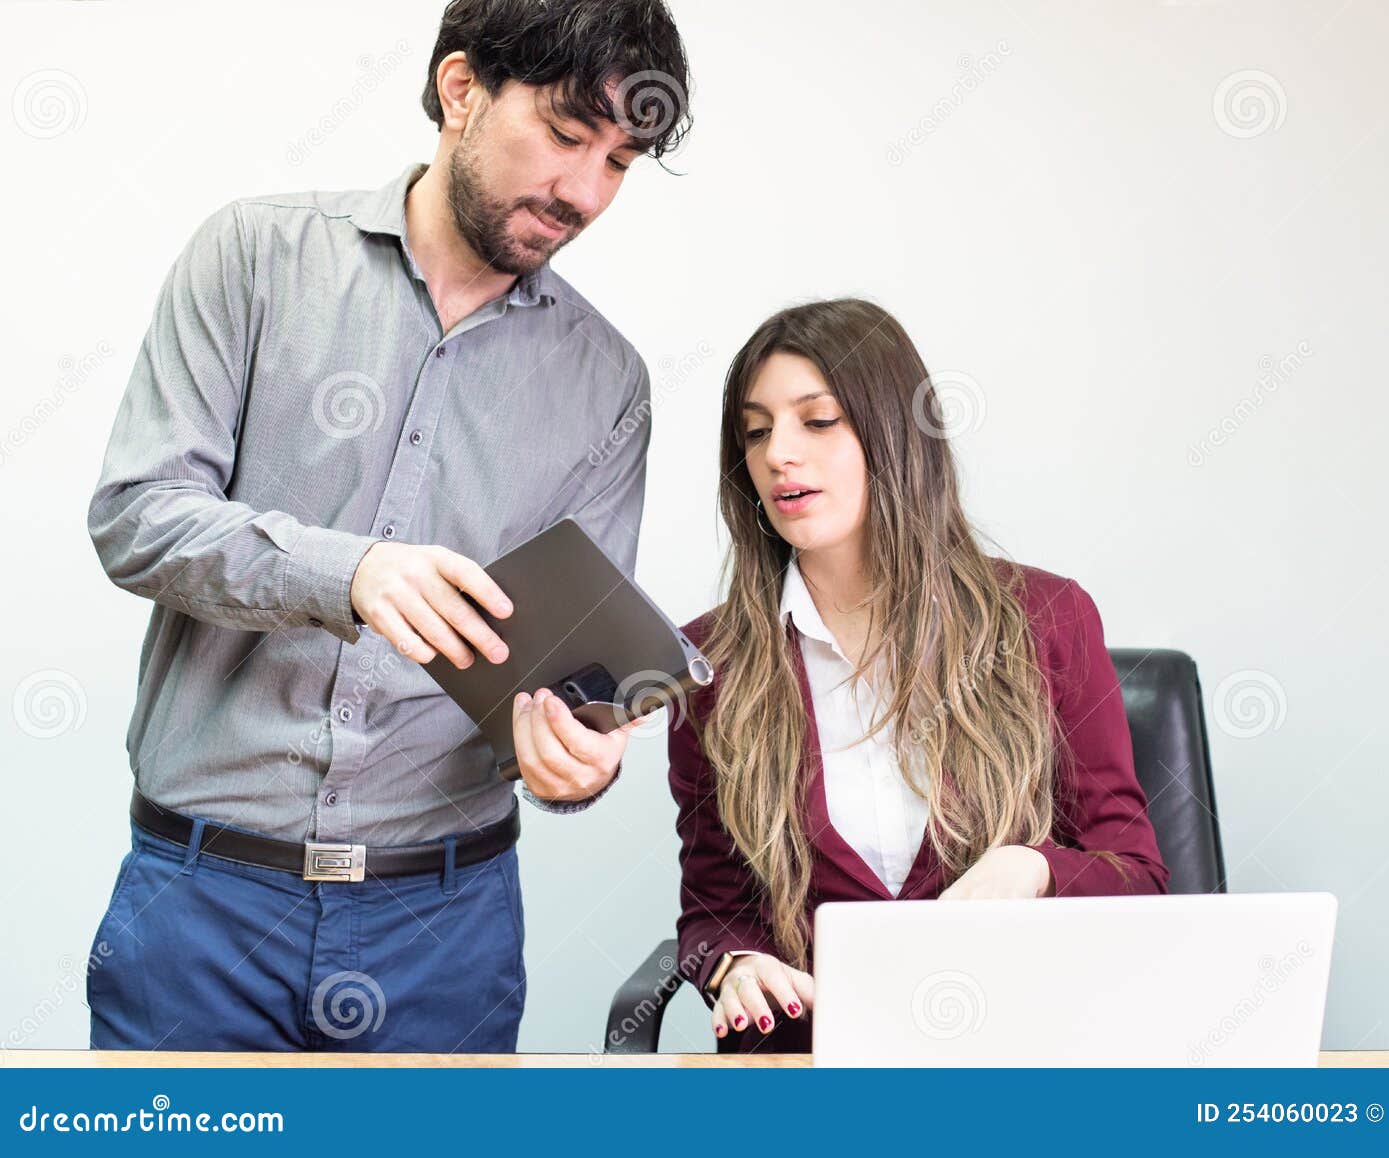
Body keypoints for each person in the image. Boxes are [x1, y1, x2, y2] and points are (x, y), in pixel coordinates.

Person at [83, 0, 691, 1052]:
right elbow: (136, 518)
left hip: (442, 929)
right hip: (200, 909)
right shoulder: (253, 258)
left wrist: (569, 763)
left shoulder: (608, 386)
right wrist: (346, 572)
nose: (584, 193)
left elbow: (566, 683)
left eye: (619, 162)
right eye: (562, 135)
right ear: (461, 91)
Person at [668, 298, 1170, 1053]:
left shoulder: (1047, 619)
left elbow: (1136, 875)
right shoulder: (711, 662)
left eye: (819, 420)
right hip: (814, 1066)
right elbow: (714, 907)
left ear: (895, 432)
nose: (779, 455)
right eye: (757, 431)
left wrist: (1029, 869)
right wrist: (732, 965)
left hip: (1018, 1055)